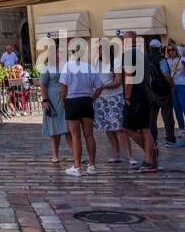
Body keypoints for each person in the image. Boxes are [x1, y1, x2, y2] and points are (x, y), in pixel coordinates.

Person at [59, 41, 100, 176]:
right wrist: (92, 98)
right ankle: (92, 166)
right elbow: (99, 87)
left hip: (72, 101)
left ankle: (77, 167)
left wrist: (63, 100)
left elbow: (63, 87)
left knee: (75, 136)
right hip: (86, 101)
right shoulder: (89, 67)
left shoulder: (68, 66)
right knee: (89, 135)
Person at [120, 33, 158, 173]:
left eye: (123, 39)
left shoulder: (129, 54)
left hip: (135, 97)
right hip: (146, 95)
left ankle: (150, 154)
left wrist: (127, 97)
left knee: (126, 127)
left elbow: (129, 77)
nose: (122, 41)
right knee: (145, 128)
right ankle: (149, 158)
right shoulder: (142, 54)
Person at [92, 63, 129, 166]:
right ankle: (116, 154)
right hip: (101, 98)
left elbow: (118, 82)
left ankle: (130, 155)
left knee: (119, 129)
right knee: (108, 129)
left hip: (115, 97)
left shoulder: (115, 62)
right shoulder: (95, 62)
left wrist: (102, 87)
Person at [147, 40, 179, 147]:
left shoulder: (145, 58)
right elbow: (166, 74)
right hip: (163, 90)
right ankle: (170, 139)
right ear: (160, 48)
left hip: (150, 91)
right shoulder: (161, 59)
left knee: (152, 117)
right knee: (167, 115)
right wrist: (172, 85)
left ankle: (153, 140)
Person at [38, 48, 68, 162]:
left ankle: (76, 153)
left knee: (68, 126)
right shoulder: (46, 66)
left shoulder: (65, 65)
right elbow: (43, 84)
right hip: (53, 98)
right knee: (53, 126)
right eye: (58, 52)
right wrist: (45, 100)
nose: (60, 53)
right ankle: (55, 155)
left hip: (65, 97)